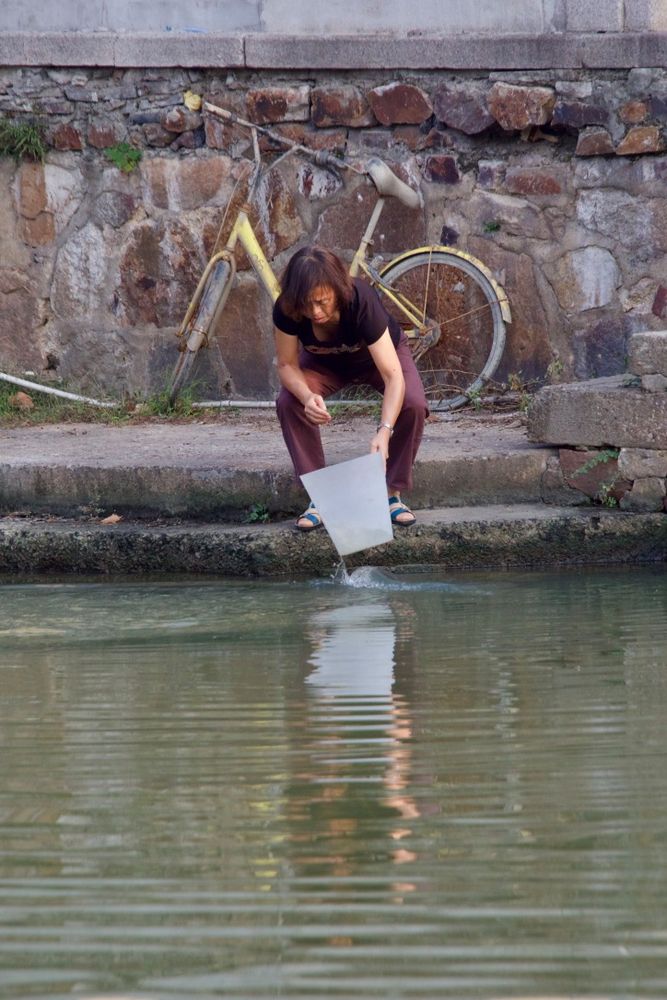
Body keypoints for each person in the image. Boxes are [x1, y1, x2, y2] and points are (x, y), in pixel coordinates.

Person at [273, 245, 428, 531]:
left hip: (376, 359)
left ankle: (391, 493)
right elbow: (286, 365)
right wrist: (308, 397)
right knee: (289, 401)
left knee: (413, 402)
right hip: (323, 362)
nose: (314, 312)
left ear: (337, 289)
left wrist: (384, 431)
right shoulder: (288, 307)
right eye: (307, 304)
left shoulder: (360, 299)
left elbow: (393, 376)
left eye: (322, 301)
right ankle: (319, 497)